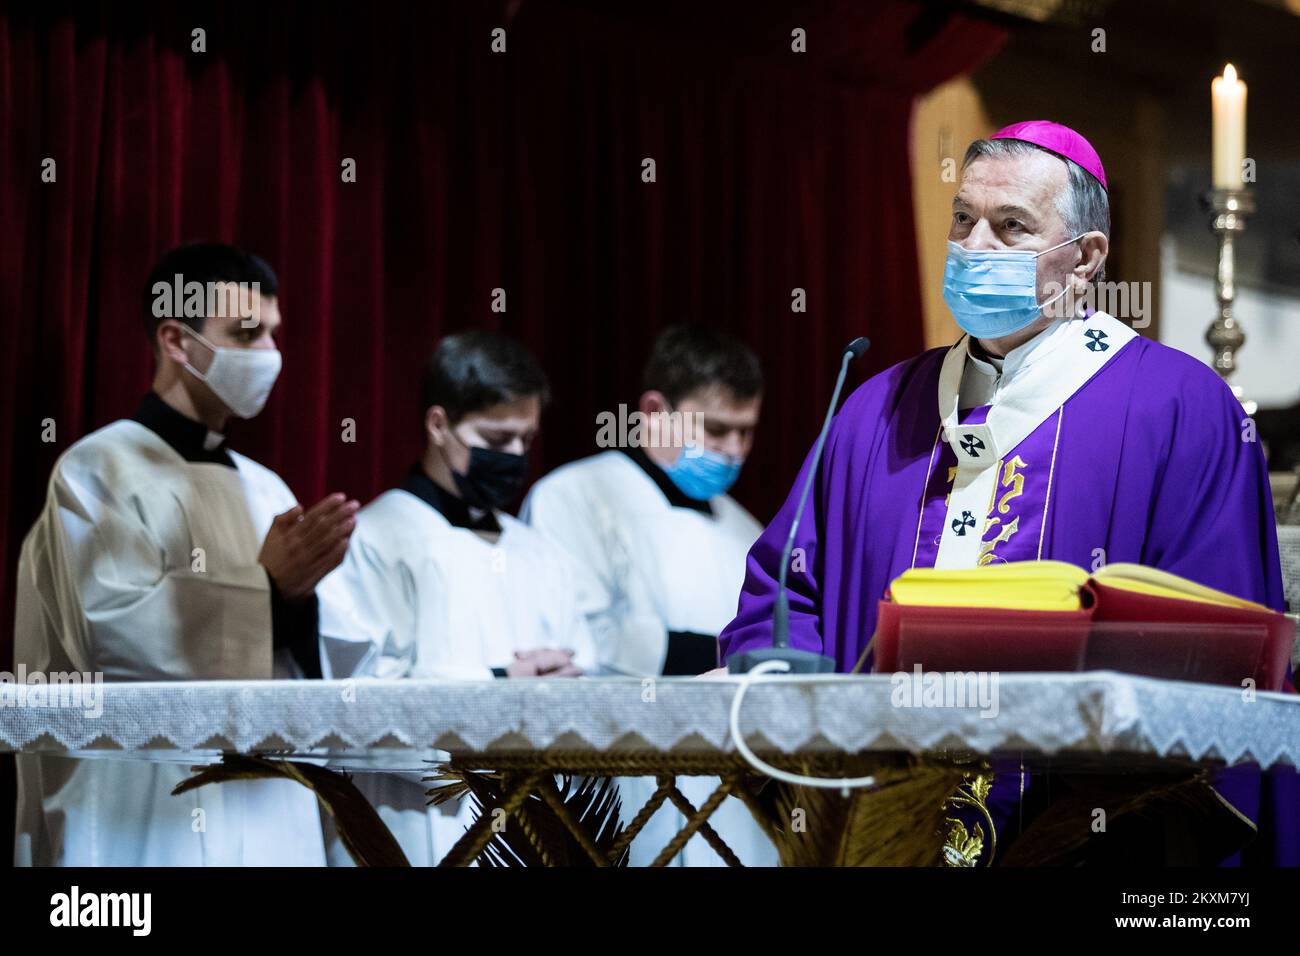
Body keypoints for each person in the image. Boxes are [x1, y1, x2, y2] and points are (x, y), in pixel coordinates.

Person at [719, 121, 1298, 866]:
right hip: (878, 831)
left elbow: (1217, 649)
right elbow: (785, 593)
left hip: (1093, 844)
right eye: (963, 219)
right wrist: (782, 687)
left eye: (1011, 226)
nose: (973, 246)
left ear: (1086, 258)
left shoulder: (1176, 409)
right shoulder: (877, 409)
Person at [14, 242, 360, 866]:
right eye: (247, 333)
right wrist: (267, 593)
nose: (270, 356)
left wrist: (297, 604)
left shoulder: (266, 486)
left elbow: (334, 648)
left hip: (270, 801)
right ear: (177, 340)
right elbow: (108, 633)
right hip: (147, 805)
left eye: (274, 334)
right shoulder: (99, 470)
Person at [318, 330, 595, 865]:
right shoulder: (376, 538)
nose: (515, 456)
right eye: (496, 438)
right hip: (413, 821)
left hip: (533, 825)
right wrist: (496, 689)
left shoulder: (543, 553)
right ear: (439, 424)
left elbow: (581, 670)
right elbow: (353, 708)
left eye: (525, 439)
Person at [524, 325, 776, 866]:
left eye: (745, 433)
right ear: (656, 411)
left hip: (731, 798)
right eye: (715, 429)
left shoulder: (750, 531)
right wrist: (731, 659)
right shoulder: (575, 497)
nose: (732, 451)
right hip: (622, 781)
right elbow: (582, 645)